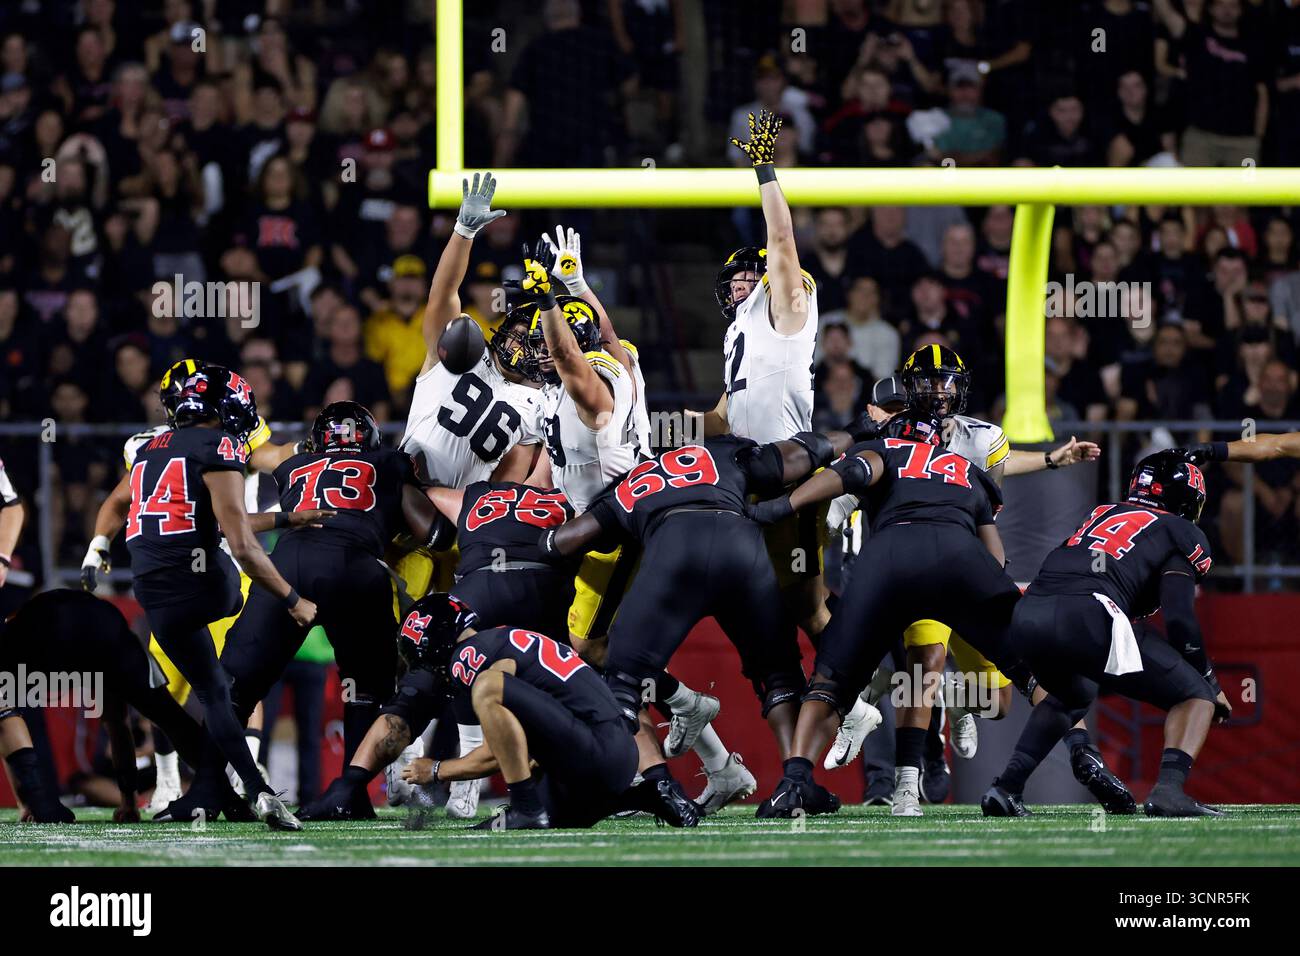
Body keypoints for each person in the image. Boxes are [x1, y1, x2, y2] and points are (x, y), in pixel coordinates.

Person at [749, 408, 1025, 818]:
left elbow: (848, 477)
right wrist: (997, 598)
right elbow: (995, 555)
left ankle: (796, 779)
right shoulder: (966, 469)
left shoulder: (885, 450)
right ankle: (1032, 769)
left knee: (833, 680)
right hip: (960, 569)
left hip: (890, 566)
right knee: (1011, 675)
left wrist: (784, 507)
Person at [87, 362, 312, 829]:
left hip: (152, 589)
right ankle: (226, 783)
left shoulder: (146, 448)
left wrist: (97, 550)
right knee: (229, 680)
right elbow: (242, 542)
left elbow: (121, 505)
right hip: (214, 586)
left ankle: (253, 790)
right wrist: (293, 599)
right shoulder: (221, 444)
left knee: (208, 692)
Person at [982, 452, 1232, 818]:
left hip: (1029, 610)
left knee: (1072, 693)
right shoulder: (1180, 531)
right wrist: (1210, 680)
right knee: (1195, 696)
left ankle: (1006, 788)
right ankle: (1169, 791)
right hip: (1085, 613)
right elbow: (1179, 619)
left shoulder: (1102, 512)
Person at [0, 590, 215, 823]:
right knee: (165, 713)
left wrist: (29, 803)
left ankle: (38, 801)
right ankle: (224, 788)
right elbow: (117, 724)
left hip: (60, 626)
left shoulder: (26, 634)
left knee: (5, 706)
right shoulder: (96, 635)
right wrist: (129, 804)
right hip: (101, 624)